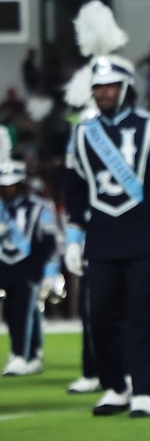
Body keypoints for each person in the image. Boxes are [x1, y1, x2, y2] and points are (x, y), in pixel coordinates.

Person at [62, 1, 150, 418]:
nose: (103, 94)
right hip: (101, 237)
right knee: (99, 318)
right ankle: (114, 385)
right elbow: (76, 190)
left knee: (143, 316)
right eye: (97, 89)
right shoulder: (82, 135)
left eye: (111, 88)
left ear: (125, 87)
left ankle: (146, 389)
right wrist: (75, 239)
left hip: (144, 234)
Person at [0, 144, 61, 377]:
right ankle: (33, 353)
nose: (8, 191)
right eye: (4, 187)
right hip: (5, 265)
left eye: (12, 186)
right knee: (11, 312)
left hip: (30, 265)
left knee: (23, 310)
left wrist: (49, 270)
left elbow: (50, 240)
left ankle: (20, 355)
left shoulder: (40, 207)